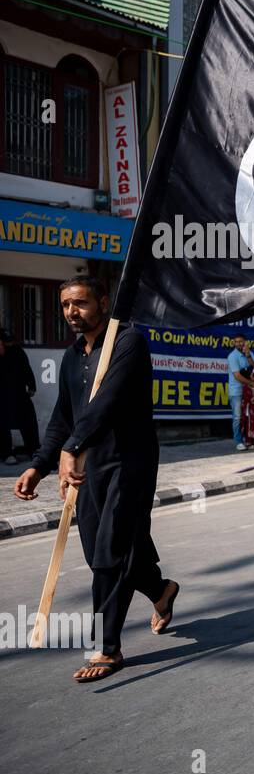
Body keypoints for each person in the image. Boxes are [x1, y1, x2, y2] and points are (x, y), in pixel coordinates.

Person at [12, 277, 178, 682]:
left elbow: (108, 402)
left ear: (103, 302)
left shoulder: (128, 343)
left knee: (110, 553)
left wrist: (72, 447)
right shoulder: (72, 357)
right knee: (104, 553)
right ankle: (160, 591)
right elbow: (64, 417)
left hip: (129, 462)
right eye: (66, 304)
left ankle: (106, 648)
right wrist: (40, 463)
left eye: (81, 303)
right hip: (90, 466)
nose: (72, 311)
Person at [1, 327, 40, 465]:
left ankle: (34, 450)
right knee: (2, 424)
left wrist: (31, 385)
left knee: (28, 421)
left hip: (19, 393)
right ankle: (7, 453)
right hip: (2, 396)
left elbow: (26, 368)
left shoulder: (17, 352)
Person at [227, 334, 254, 451]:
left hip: (249, 392)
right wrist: (252, 383)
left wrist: (248, 355)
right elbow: (237, 376)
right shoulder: (232, 356)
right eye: (236, 342)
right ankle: (239, 441)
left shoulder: (250, 354)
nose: (239, 344)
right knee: (238, 417)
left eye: (241, 341)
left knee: (252, 416)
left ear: (245, 342)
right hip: (236, 391)